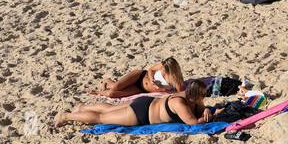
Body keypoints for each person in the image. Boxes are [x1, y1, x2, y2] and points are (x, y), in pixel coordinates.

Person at [54, 81, 211, 128]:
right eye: (202, 95)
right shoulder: (180, 104)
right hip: (141, 114)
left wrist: (205, 111)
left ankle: (83, 107)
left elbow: (202, 108)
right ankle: (67, 116)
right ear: (195, 95)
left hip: (146, 103)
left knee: (110, 109)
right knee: (101, 118)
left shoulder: (189, 97)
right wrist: (206, 117)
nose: (203, 98)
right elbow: (193, 123)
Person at [92, 58, 185, 98]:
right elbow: (151, 70)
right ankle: (107, 81)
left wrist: (162, 87)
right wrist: (152, 79)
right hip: (139, 76)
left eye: (165, 69)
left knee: (111, 94)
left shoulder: (175, 79)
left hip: (141, 89)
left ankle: (99, 92)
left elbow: (179, 92)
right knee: (115, 87)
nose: (162, 69)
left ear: (172, 70)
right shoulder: (162, 65)